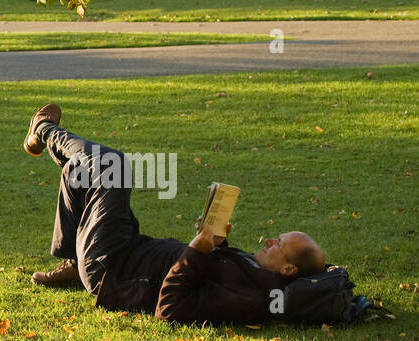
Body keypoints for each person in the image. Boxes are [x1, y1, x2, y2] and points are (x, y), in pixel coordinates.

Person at [23, 103, 326, 325]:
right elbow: (206, 274)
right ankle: (74, 263)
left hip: (111, 269)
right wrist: (215, 243)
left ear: (288, 270)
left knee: (113, 167)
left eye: (279, 244)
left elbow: (169, 309)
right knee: (79, 170)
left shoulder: (251, 297)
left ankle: (44, 130)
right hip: (131, 248)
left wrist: (196, 250)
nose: (270, 239)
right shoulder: (256, 272)